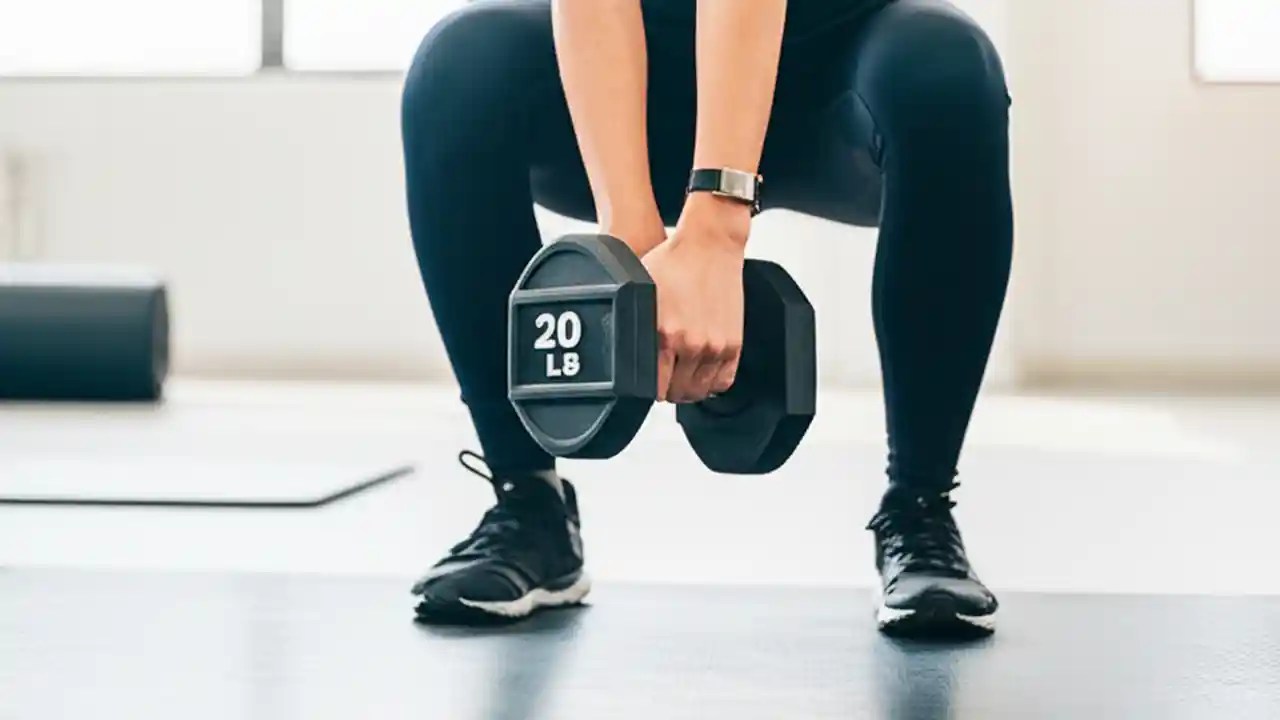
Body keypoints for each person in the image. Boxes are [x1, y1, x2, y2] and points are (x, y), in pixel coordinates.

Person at [401, 0, 1012, 638]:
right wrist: (626, 232)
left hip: (830, 88)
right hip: (631, 86)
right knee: (459, 67)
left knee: (946, 65)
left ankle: (920, 506)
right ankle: (527, 504)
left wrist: (717, 227)